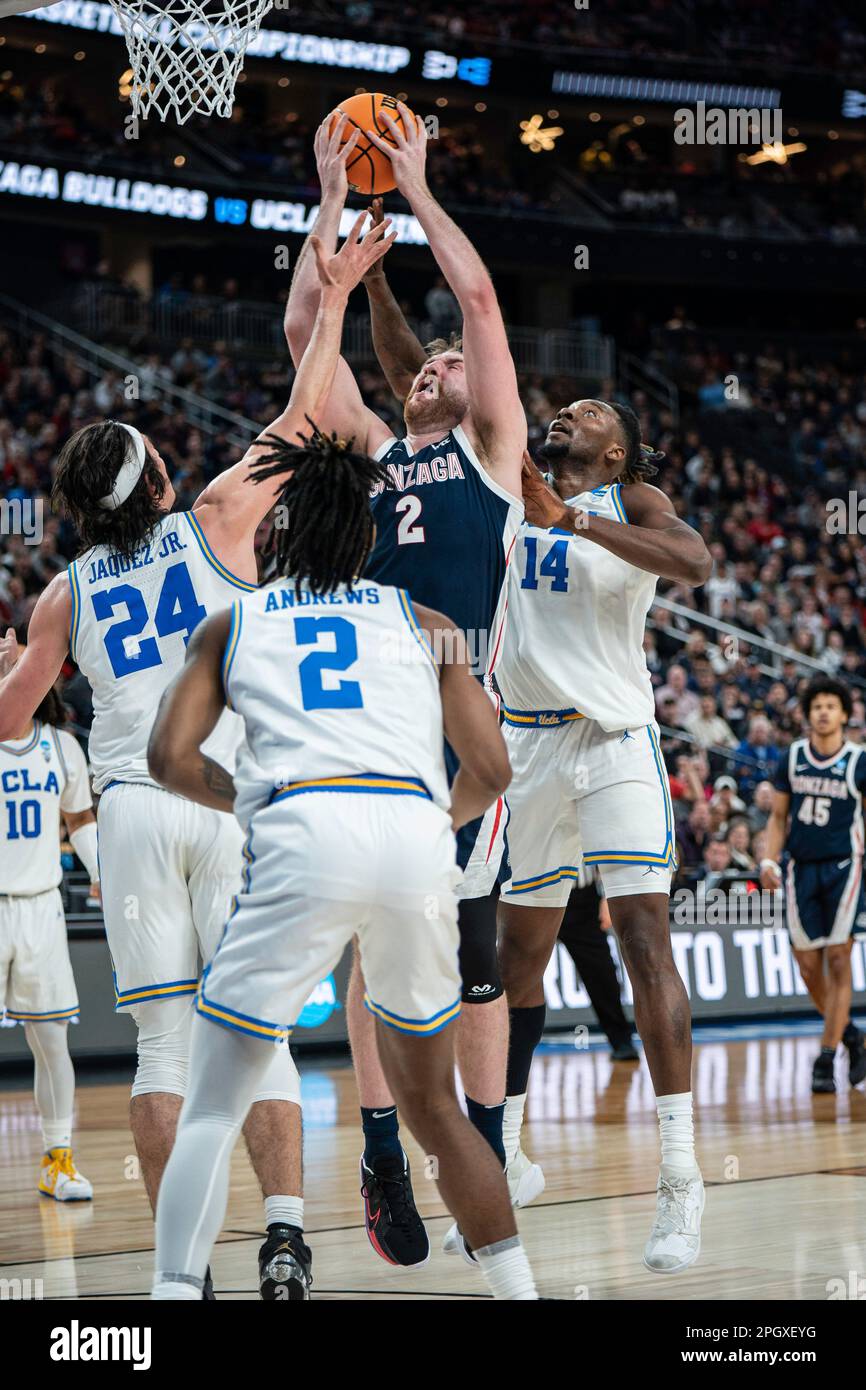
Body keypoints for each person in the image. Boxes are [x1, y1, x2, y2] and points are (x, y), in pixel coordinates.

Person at [0, 213, 395, 1298]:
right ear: (161, 484)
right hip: (226, 801)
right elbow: (305, 409)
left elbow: (9, 719)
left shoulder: (59, 594)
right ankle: (280, 1234)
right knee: (257, 1034)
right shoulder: (218, 517)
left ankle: (186, 1271)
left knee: (164, 1051)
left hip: (129, 810)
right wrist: (334, 285)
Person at [146, 430, 540, 1302]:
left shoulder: (234, 620)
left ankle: (172, 1295)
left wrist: (248, 800)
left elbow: (168, 757)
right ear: (367, 541)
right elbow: (495, 770)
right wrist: (430, 826)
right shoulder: (425, 623)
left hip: (302, 825)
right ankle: (521, 1293)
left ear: (278, 535)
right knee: (436, 1108)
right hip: (411, 840)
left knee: (212, 1105)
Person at [284, 109, 526, 1264]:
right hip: (377, 698)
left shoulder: (488, 447)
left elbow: (476, 307)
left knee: (470, 960)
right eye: (420, 363)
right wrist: (328, 200)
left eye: (442, 365)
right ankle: (384, 1145)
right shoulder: (379, 449)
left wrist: (420, 187)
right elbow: (305, 343)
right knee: (370, 951)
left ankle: (475, 1137)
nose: (434, 363)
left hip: (458, 689)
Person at [494, 401, 712, 1275]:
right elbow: (415, 385)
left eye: (583, 411)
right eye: (558, 408)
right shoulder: (509, 486)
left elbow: (695, 563)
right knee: (514, 962)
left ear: (615, 451)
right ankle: (505, 1157)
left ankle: (680, 1177)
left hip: (614, 740)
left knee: (646, 945)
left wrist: (572, 519)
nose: (560, 413)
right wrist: (386, 278)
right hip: (526, 744)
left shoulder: (634, 502)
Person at [0, 672, 99, 1201]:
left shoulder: (61, 747)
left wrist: (102, 867)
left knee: (52, 1041)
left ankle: (58, 1159)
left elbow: (79, 817)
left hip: (40, 907)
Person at [761, 676, 866, 1095]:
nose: (823, 711)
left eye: (831, 705)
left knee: (839, 959)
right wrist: (768, 858)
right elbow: (778, 819)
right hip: (799, 869)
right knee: (807, 966)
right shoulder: (792, 758)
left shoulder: (859, 761)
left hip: (845, 866)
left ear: (844, 714)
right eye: (817, 705)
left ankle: (825, 1057)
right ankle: (851, 1036)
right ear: (808, 714)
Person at [556, 870, 638, 1060]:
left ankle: (621, 1040)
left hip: (582, 897)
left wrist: (608, 894)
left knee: (602, 973)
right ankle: (510, 1050)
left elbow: (603, 844)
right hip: (533, 893)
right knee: (519, 978)